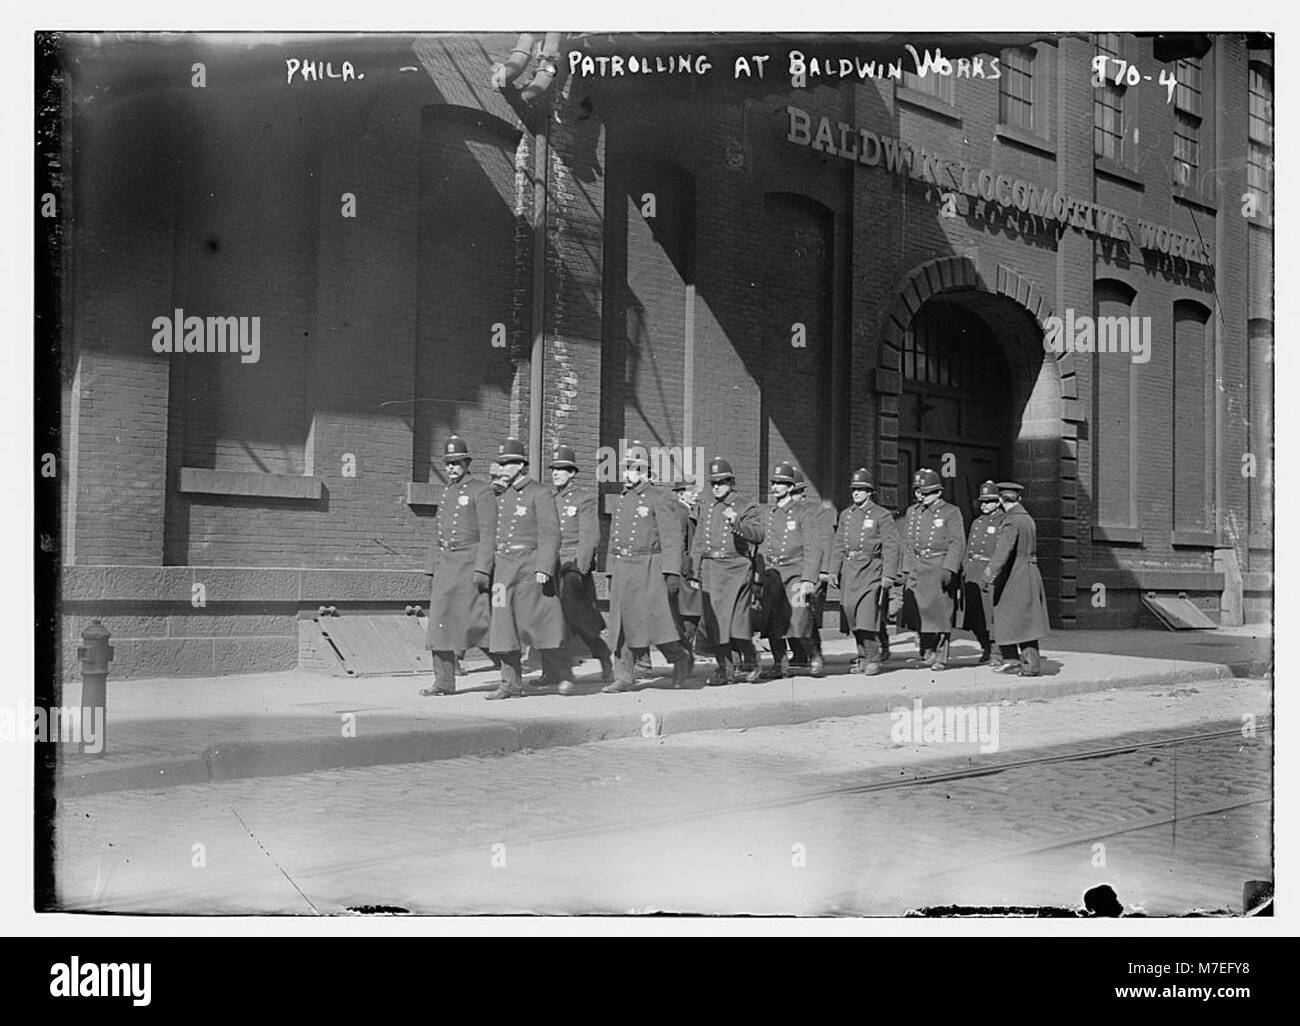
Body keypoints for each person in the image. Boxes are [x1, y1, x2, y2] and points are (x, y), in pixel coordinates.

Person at [602, 442, 693, 692]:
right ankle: (624, 675)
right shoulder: (621, 500)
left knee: (653, 625)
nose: (625, 473)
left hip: (648, 567)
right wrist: (610, 571)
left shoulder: (659, 497)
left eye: (630, 468)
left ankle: (680, 658)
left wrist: (671, 572)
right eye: (625, 468)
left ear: (643, 470)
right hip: (623, 567)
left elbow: (671, 537)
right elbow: (613, 539)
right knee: (622, 624)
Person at [485, 437, 570, 699]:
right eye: (501, 463)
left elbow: (551, 533)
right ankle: (510, 684)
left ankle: (561, 673)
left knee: (539, 623)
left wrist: (544, 566)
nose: (504, 468)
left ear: (522, 465)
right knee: (503, 625)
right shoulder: (501, 495)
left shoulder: (539, 492)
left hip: (529, 567)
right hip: (503, 570)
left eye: (509, 463)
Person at [419, 435, 495, 697]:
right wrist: (431, 567)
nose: (452, 468)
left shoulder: (480, 490)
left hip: (468, 565)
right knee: (439, 624)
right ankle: (443, 682)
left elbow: (488, 533)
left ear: (467, 463)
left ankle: (511, 669)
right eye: (448, 464)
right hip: (446, 565)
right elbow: (437, 533)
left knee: (478, 623)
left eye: (457, 463)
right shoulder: (447, 492)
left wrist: (483, 568)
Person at [690, 457, 764, 685]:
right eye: (713, 483)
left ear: (731, 482)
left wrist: (737, 524)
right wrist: (695, 573)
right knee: (714, 622)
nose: (717, 487)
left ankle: (750, 659)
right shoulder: (707, 506)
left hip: (736, 568)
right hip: (712, 568)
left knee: (735, 621)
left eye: (721, 482)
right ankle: (725, 669)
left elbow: (758, 535)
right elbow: (699, 542)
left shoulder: (745, 505)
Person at [549, 444, 614, 686]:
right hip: (551, 567)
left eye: (562, 469)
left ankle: (603, 655)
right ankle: (552, 672)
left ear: (572, 473)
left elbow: (590, 536)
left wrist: (580, 568)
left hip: (572, 570)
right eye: (554, 468)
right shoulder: (549, 498)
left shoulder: (583, 498)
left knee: (578, 620)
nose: (556, 472)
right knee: (551, 620)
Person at [756, 461, 825, 678]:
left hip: (796, 573)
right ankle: (779, 664)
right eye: (774, 483)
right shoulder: (769, 513)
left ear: (790, 487)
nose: (775, 487)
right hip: (774, 574)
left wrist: (808, 579)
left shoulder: (803, 513)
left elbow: (814, 547)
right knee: (773, 621)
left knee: (798, 618)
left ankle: (813, 654)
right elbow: (761, 545)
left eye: (781, 483)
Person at [832, 469, 901, 675]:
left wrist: (889, 575)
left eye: (861, 489)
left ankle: (873, 658)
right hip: (850, 571)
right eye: (854, 489)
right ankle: (861, 657)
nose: (856, 493)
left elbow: (891, 545)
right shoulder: (846, 514)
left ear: (869, 492)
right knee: (852, 615)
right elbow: (838, 544)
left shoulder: (881, 515)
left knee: (866, 616)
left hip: (871, 571)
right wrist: (833, 570)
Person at [982, 481, 1052, 676]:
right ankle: (1013, 661)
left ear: (1000, 500)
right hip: (1028, 572)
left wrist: (988, 574)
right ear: (1018, 499)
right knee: (1023, 619)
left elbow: (1004, 550)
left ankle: (1028, 665)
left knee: (1013, 618)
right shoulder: (1027, 518)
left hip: (1015, 575)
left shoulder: (1011, 520)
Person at [899, 468, 965, 671]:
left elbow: (957, 542)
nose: (922, 496)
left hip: (938, 566)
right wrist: (907, 569)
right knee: (920, 610)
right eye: (919, 492)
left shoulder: (950, 512)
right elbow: (908, 542)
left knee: (940, 613)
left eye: (926, 492)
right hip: (919, 567)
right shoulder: (914, 512)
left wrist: (949, 569)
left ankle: (941, 656)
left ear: (938, 492)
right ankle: (928, 651)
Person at [788, 466, 835, 672]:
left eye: (793, 493)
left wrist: (823, 572)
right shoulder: (785, 512)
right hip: (791, 573)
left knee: (808, 616)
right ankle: (798, 654)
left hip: (812, 573)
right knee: (791, 613)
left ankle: (815, 653)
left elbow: (825, 542)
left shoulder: (817, 512)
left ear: (800, 492)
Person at [962, 480, 1004, 666]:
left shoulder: (1004, 521)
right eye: (983, 501)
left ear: (998, 502)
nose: (985, 505)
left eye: (989, 501)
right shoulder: (977, 522)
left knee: (991, 615)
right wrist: (964, 569)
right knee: (975, 615)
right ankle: (985, 645)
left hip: (990, 573)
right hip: (973, 572)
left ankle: (996, 650)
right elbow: (968, 548)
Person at [669, 479, 705, 658]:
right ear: (681, 494)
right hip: (686, 573)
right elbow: (679, 544)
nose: (696, 495)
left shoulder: (685, 511)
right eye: (692, 492)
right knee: (690, 614)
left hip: (686, 571)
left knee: (689, 614)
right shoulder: (680, 513)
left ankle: (685, 651)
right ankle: (683, 653)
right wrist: (689, 571)